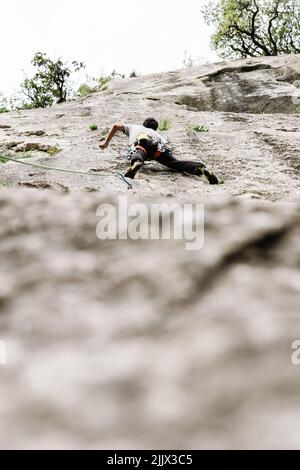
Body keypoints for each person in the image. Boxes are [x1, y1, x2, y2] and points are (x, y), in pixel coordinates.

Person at [99, 118, 219, 184]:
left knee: (139, 150)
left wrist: (105, 143)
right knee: (175, 164)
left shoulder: (134, 127)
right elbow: (168, 149)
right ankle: (199, 168)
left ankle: (136, 162)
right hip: (159, 148)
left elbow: (115, 126)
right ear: (155, 127)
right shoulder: (158, 134)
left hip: (143, 142)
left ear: (144, 124)